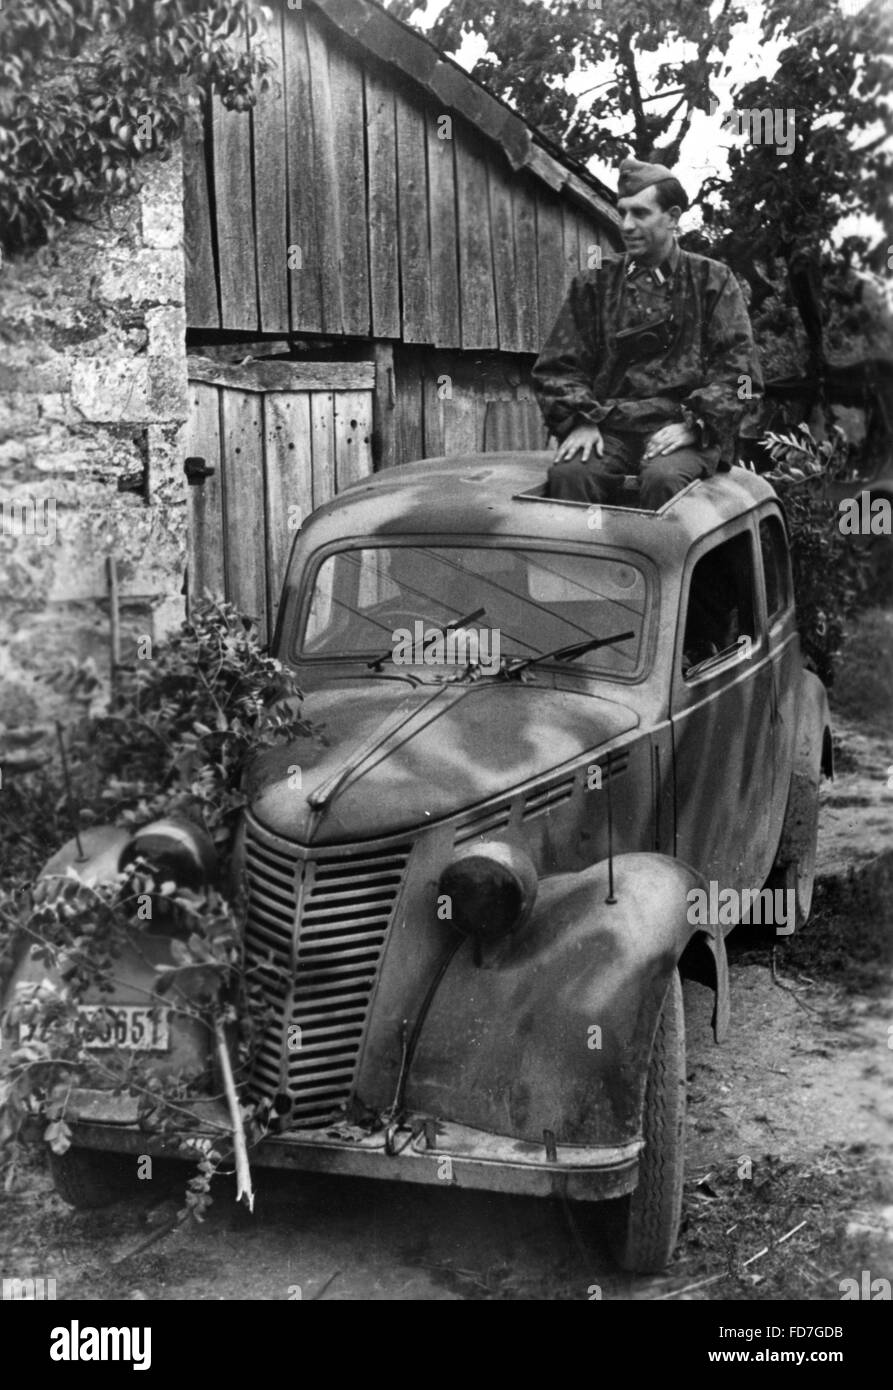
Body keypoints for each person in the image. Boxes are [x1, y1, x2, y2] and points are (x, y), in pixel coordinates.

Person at [532, 155, 763, 508]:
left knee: (664, 481)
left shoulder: (712, 281)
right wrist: (579, 421)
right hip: (609, 428)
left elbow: (742, 377)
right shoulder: (596, 282)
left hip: (684, 431)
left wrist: (694, 425)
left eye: (640, 213)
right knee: (570, 476)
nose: (625, 224)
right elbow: (558, 366)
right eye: (622, 211)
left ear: (672, 218)